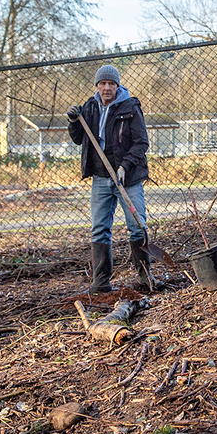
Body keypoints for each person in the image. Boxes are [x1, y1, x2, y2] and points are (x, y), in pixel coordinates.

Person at [69, 64, 152, 293]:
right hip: (101, 177)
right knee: (99, 228)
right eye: (103, 84)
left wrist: (125, 166)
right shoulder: (90, 107)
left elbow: (141, 142)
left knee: (137, 226)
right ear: (97, 85)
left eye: (111, 84)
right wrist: (74, 121)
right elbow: (79, 139)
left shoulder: (130, 107)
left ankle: (145, 277)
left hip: (128, 177)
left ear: (117, 86)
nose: (107, 88)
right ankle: (101, 282)